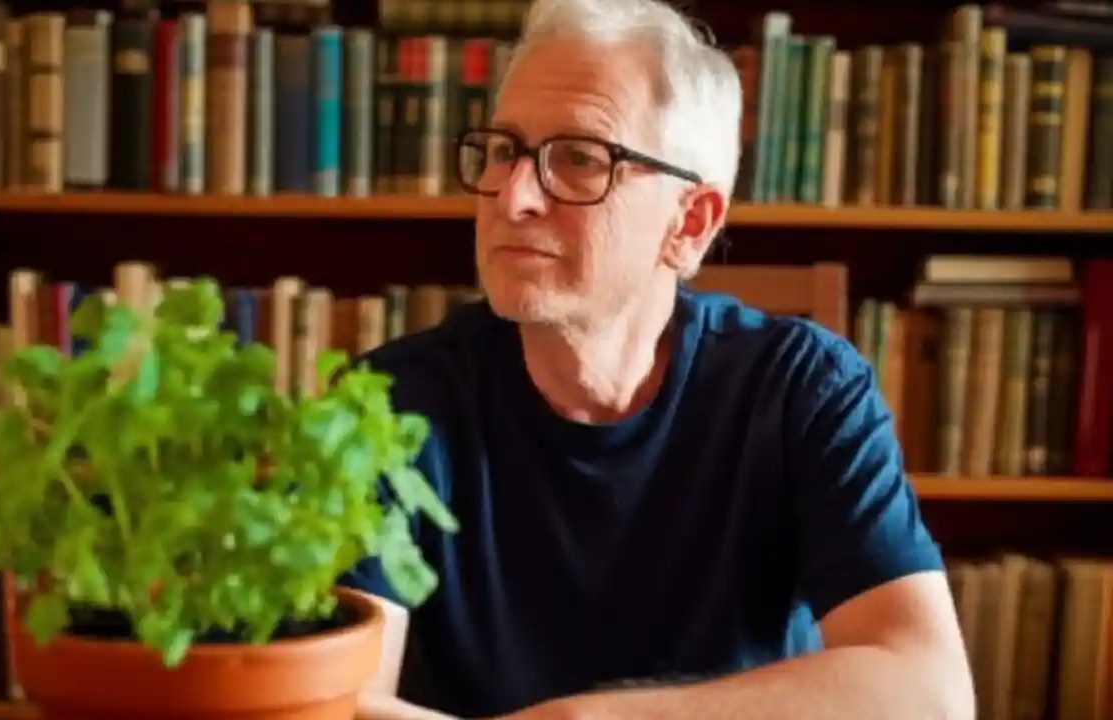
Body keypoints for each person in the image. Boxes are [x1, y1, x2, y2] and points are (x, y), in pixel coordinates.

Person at [341, 0, 976, 718]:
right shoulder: (388, 404)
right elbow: (337, 699)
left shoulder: (803, 388)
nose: (513, 196)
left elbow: (929, 692)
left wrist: (595, 718)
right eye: (504, 150)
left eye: (579, 159)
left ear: (690, 223)